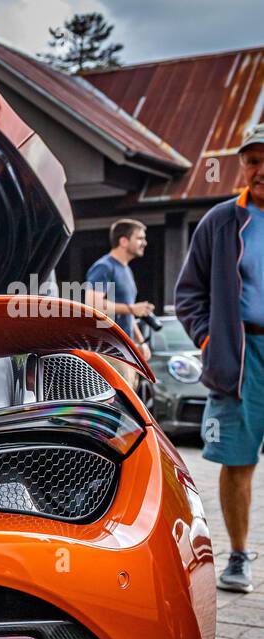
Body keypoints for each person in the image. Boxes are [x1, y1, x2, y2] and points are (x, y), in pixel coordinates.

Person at [175, 122, 264, 592]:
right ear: (243, 166)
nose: (261, 169)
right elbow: (188, 294)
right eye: (253, 160)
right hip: (241, 353)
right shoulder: (220, 221)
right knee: (238, 459)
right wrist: (212, 343)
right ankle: (238, 557)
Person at [85, 219, 155, 384]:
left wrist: (140, 342)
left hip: (126, 351)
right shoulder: (104, 267)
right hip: (109, 351)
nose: (144, 243)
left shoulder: (126, 270)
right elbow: (93, 304)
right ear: (123, 241)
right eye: (139, 238)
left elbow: (129, 315)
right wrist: (131, 308)